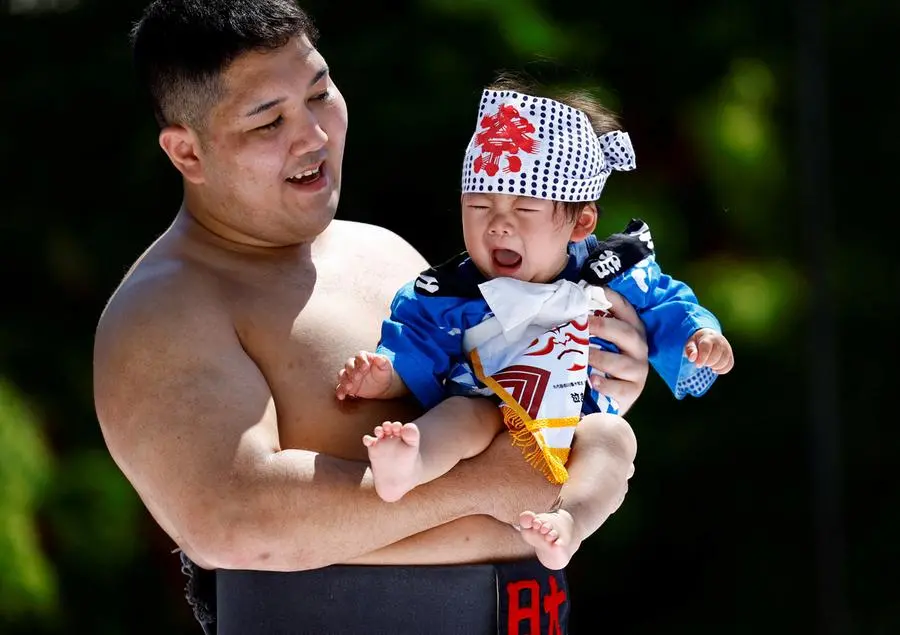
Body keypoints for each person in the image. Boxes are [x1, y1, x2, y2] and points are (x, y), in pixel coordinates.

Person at [93, 1, 649, 633]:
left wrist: (598, 382)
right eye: (269, 122)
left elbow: (518, 405)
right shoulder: (165, 310)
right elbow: (233, 523)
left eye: (320, 93)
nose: (315, 135)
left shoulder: (388, 254)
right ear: (187, 153)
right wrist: (487, 484)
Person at [334, 79, 734, 571]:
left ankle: (570, 523)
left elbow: (668, 305)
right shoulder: (452, 288)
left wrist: (698, 335)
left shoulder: (615, 270)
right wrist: (388, 374)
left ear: (581, 223)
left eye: (523, 209)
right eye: (479, 207)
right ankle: (408, 467)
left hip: (579, 420)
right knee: (461, 418)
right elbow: (415, 337)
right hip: (488, 404)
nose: (498, 225)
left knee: (614, 441)